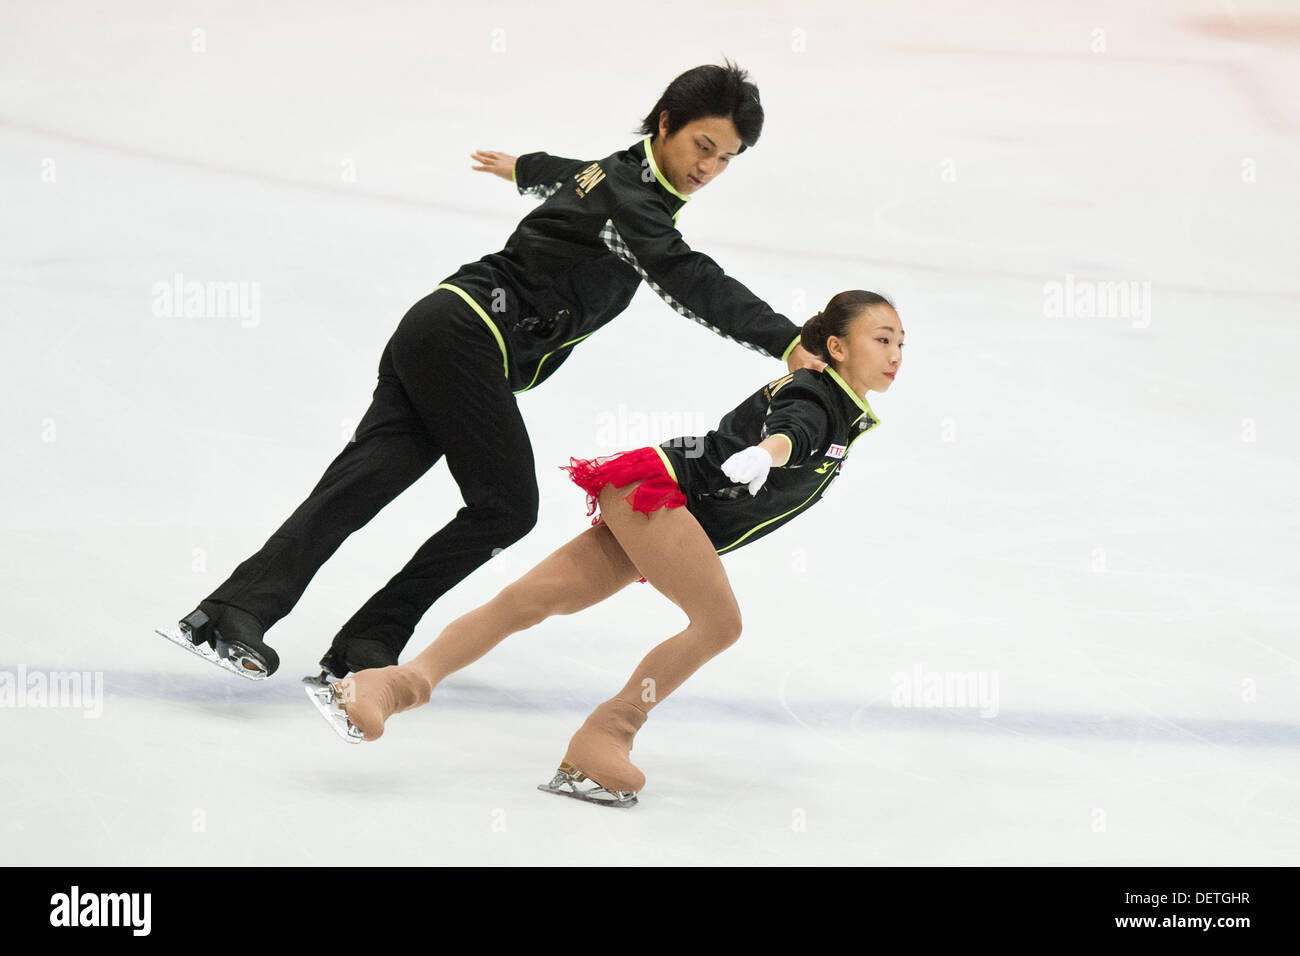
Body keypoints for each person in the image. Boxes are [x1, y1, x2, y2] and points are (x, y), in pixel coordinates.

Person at [156, 60, 824, 682]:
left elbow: (572, 173)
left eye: (727, 159)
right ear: (666, 124)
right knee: (505, 507)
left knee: (366, 481)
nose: (710, 167)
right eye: (703, 146)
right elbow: (688, 278)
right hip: (469, 340)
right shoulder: (637, 203)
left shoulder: (617, 175)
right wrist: (786, 339)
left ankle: (234, 612)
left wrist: (522, 168)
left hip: (442, 324)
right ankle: (370, 638)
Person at [308, 291, 904, 807]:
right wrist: (768, 452)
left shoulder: (843, 411)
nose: (896, 354)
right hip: (663, 497)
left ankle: (393, 684)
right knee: (719, 624)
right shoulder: (818, 394)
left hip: (662, 502)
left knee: (533, 599)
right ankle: (608, 734)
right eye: (882, 339)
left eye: (901, 342)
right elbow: (795, 425)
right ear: (837, 347)